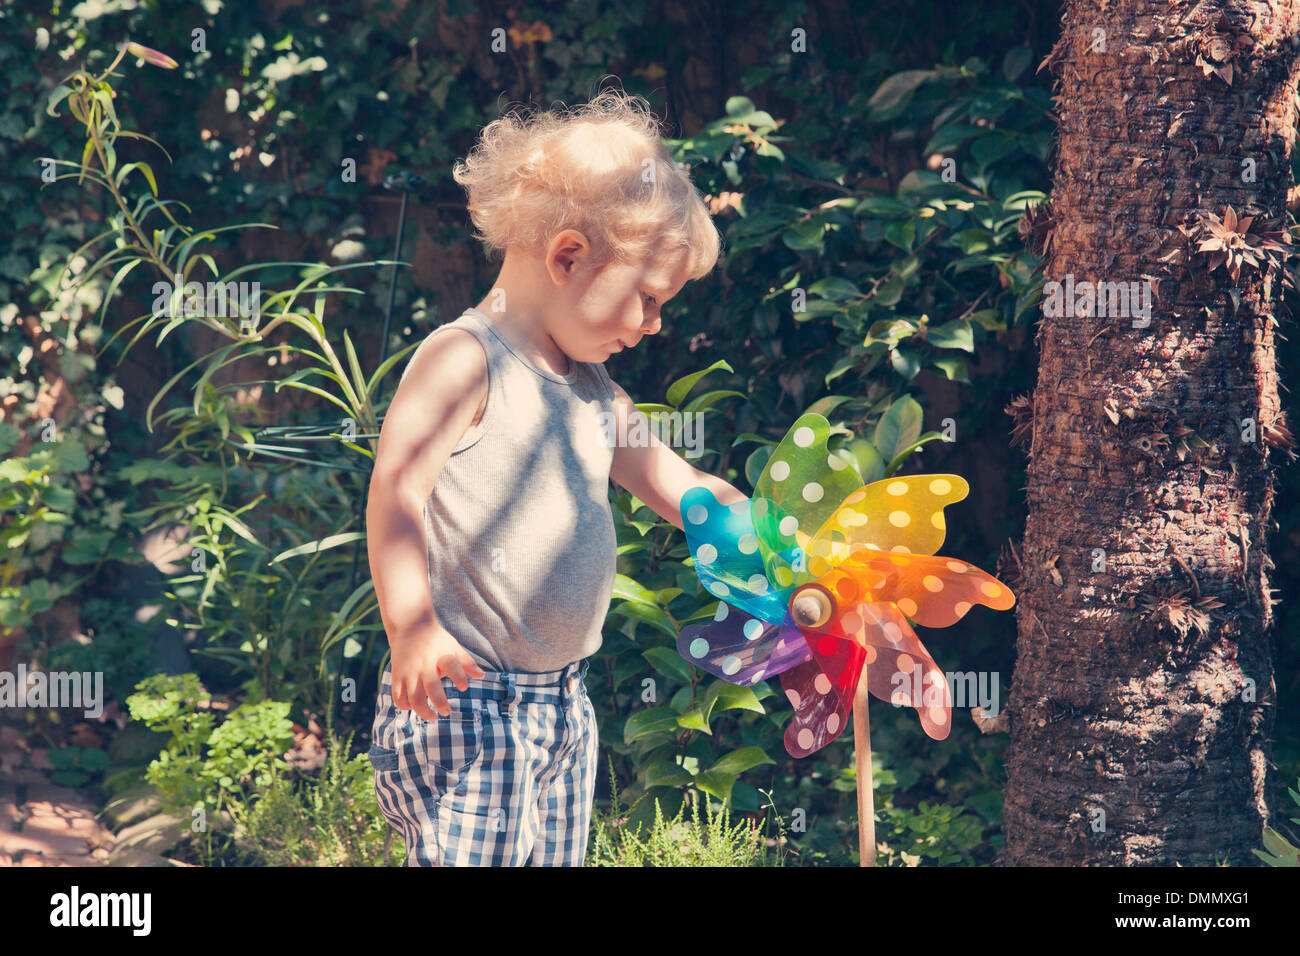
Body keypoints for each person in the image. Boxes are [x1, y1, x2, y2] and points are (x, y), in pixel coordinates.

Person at [364, 88, 749, 866]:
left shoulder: (594, 392)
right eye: (647, 298)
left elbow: (676, 484)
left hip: (561, 707)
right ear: (568, 256)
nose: (653, 324)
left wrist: (763, 530)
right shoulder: (464, 358)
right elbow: (396, 494)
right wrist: (410, 626)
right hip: (467, 700)